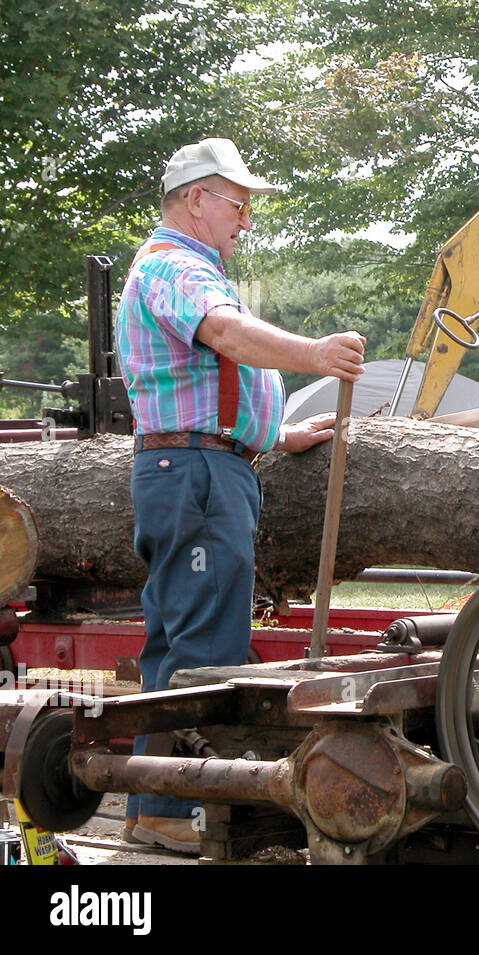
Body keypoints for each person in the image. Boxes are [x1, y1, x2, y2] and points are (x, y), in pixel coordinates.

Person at [114, 138, 365, 853]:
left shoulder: (181, 268)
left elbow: (200, 378)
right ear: (197, 199)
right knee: (205, 647)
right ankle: (175, 808)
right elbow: (225, 334)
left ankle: (154, 803)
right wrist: (316, 354)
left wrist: (275, 432)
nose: (245, 220)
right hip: (198, 474)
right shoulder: (174, 266)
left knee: (175, 644)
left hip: (194, 467)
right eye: (238, 203)